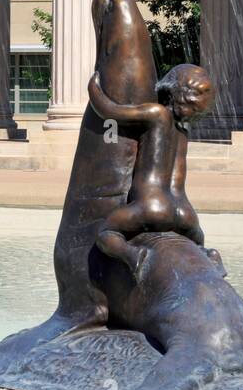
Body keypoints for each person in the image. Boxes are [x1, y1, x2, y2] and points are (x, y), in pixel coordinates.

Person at [87, 61, 215, 276]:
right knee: (199, 243)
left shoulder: (156, 113)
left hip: (153, 205)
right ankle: (211, 256)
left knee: (106, 233)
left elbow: (111, 112)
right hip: (184, 211)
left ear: (172, 89)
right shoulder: (183, 132)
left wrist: (94, 88)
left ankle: (133, 257)